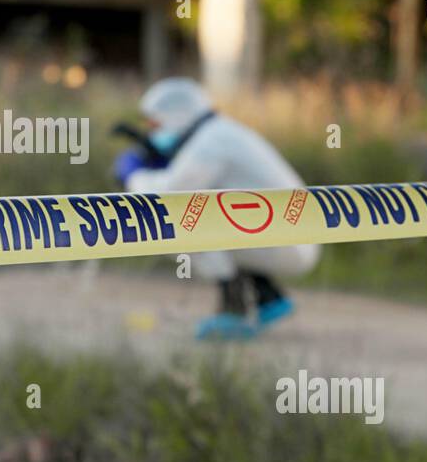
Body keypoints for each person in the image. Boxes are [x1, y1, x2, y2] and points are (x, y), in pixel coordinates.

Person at [114, 77, 320, 341]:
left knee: (187, 221)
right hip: (292, 235)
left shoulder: (211, 143)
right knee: (219, 213)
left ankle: (234, 310)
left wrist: (133, 174)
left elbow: (167, 195)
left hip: (288, 242)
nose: (153, 133)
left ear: (176, 116)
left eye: (155, 125)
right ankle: (267, 295)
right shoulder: (220, 132)